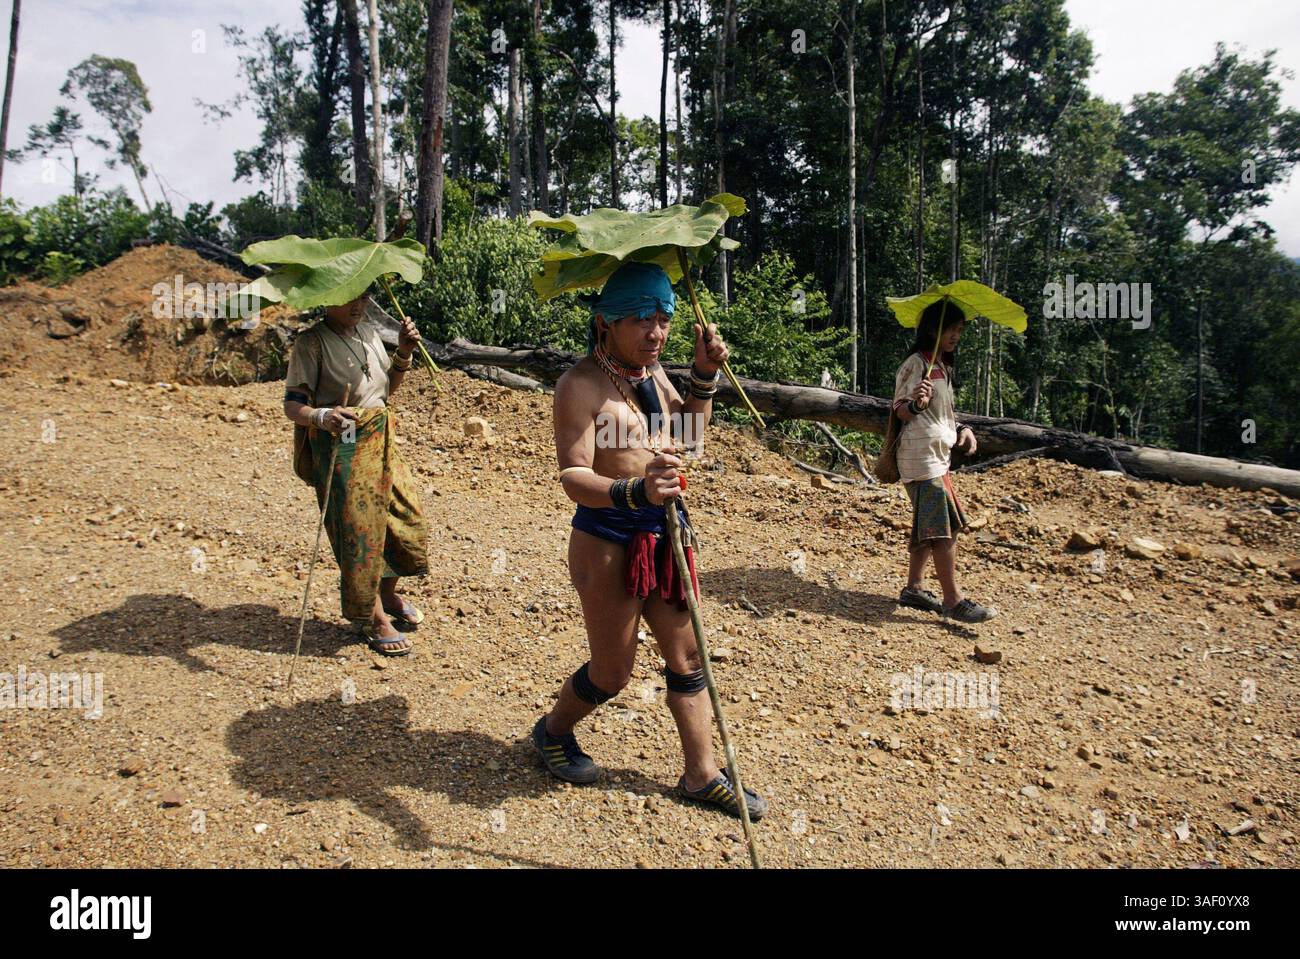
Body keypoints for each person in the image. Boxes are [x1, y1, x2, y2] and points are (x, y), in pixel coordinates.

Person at [533, 261, 767, 821]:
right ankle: (552, 731)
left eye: (662, 318)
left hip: (664, 535)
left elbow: (690, 435)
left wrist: (704, 377)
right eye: (641, 318)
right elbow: (573, 476)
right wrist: (635, 490)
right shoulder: (580, 385)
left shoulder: (654, 375)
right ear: (606, 322)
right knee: (613, 673)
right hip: (608, 540)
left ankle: (701, 775)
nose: (655, 332)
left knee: (688, 656)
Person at [282, 292, 430, 655]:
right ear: (325, 298)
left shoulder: (367, 331)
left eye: (363, 297)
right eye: (348, 298)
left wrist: (405, 352)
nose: (358, 305)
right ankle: (372, 616)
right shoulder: (311, 342)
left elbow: (385, 391)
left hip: (380, 436)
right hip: (342, 443)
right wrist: (322, 416)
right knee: (358, 532)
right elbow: (292, 405)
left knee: (405, 520)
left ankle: (387, 594)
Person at [892, 300, 997, 624]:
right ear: (932, 329)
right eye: (950, 328)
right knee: (944, 529)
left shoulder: (941, 366)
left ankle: (914, 588)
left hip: (937, 458)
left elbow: (946, 415)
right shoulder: (916, 364)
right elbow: (900, 410)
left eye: (959, 330)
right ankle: (953, 600)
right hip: (921, 460)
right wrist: (917, 404)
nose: (955, 335)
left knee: (929, 524)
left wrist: (963, 429)